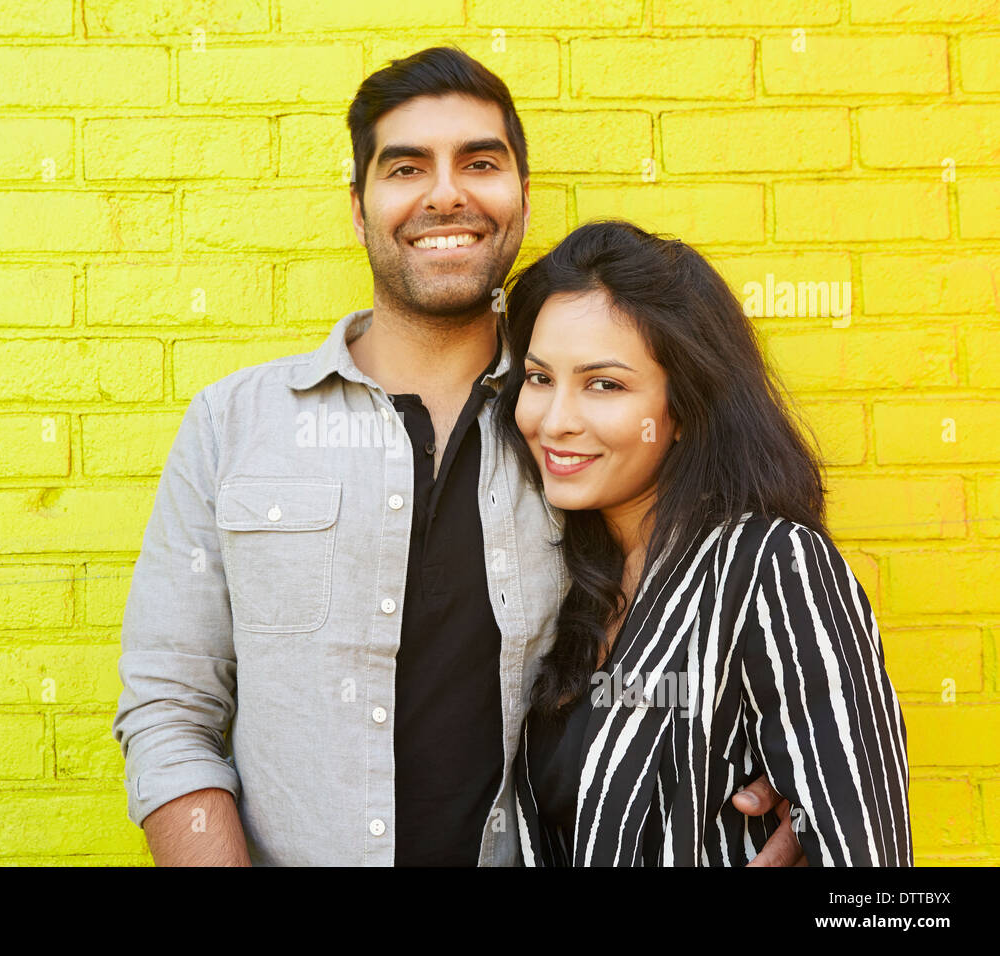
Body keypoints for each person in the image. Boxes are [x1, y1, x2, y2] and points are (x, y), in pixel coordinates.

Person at [112, 46, 803, 866]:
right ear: (360, 210)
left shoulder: (582, 431)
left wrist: (802, 760)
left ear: (521, 196)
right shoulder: (236, 423)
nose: (446, 193)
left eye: (480, 162)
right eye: (407, 167)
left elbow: (753, 601)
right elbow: (169, 709)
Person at [495, 219, 913, 866]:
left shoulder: (773, 568)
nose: (555, 421)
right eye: (540, 377)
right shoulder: (562, 580)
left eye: (604, 384)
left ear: (685, 409)